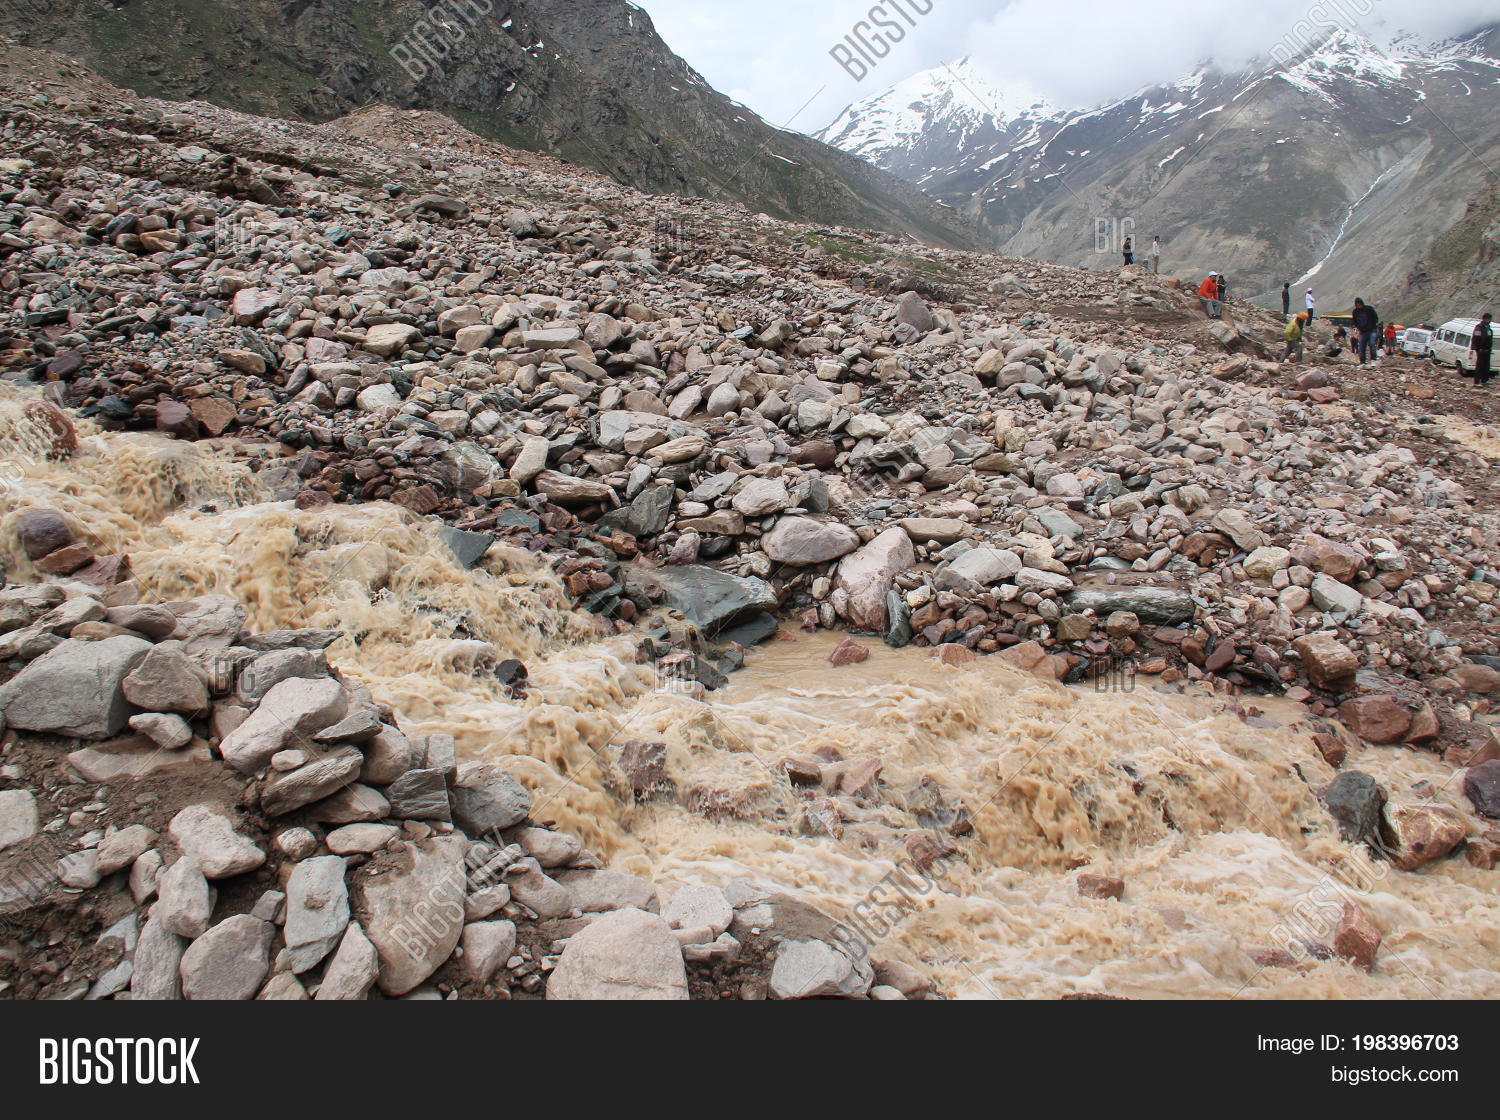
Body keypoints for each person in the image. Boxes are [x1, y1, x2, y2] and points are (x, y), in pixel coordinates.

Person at [1351, 297, 1379, 365]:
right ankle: (1362, 362)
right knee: (1361, 346)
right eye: (1357, 304)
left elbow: (1375, 317)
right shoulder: (1355, 312)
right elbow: (1355, 321)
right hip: (1363, 332)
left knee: (1372, 343)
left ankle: (1373, 359)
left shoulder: (1369, 309)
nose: (1358, 306)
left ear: (1362, 303)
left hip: (1372, 330)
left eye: (1359, 304)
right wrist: (1359, 328)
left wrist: (1373, 324)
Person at [1473, 312, 1494, 384]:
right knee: (1480, 366)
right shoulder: (1478, 328)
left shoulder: (1488, 328)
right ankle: (1477, 381)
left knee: (1486, 365)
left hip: (1487, 349)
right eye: (1488, 319)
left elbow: (1489, 338)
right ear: (1484, 319)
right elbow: (1476, 338)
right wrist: (1479, 348)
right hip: (1481, 350)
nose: (1490, 320)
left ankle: (1485, 380)